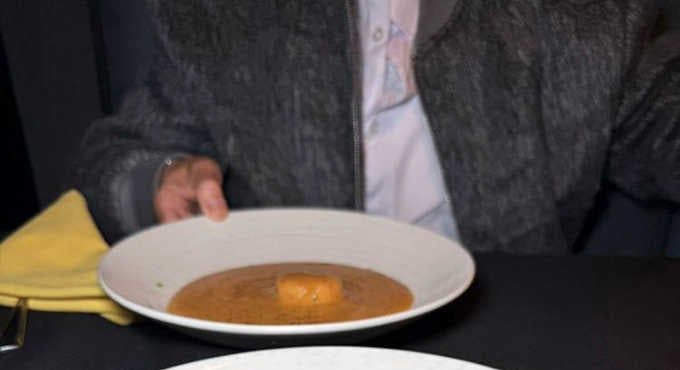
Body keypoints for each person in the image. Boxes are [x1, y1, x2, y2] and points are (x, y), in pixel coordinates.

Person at [73, 1, 680, 253]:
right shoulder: (224, 15)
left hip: (510, 337)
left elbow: (662, 116)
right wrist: (161, 179)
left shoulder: (596, 17)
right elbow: (125, 151)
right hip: (283, 341)